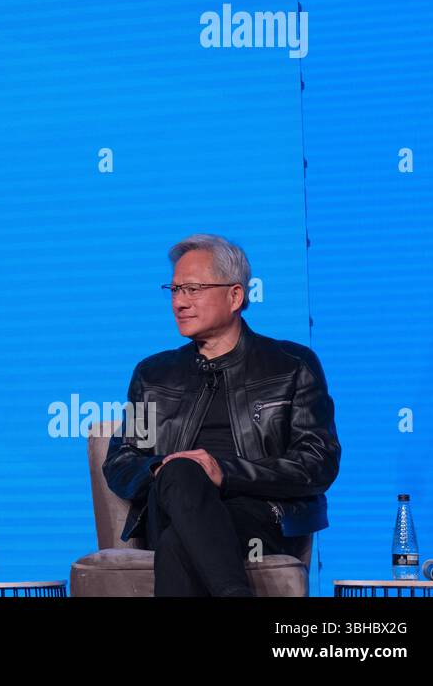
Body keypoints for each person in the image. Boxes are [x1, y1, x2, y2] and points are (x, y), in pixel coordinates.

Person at [103, 234, 340, 596]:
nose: (179, 302)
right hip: (168, 505)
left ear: (235, 296)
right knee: (182, 470)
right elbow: (122, 461)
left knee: (176, 545)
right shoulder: (154, 375)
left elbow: (317, 463)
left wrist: (224, 472)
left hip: (259, 516)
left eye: (193, 289)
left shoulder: (291, 366)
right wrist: (161, 468)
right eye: (174, 289)